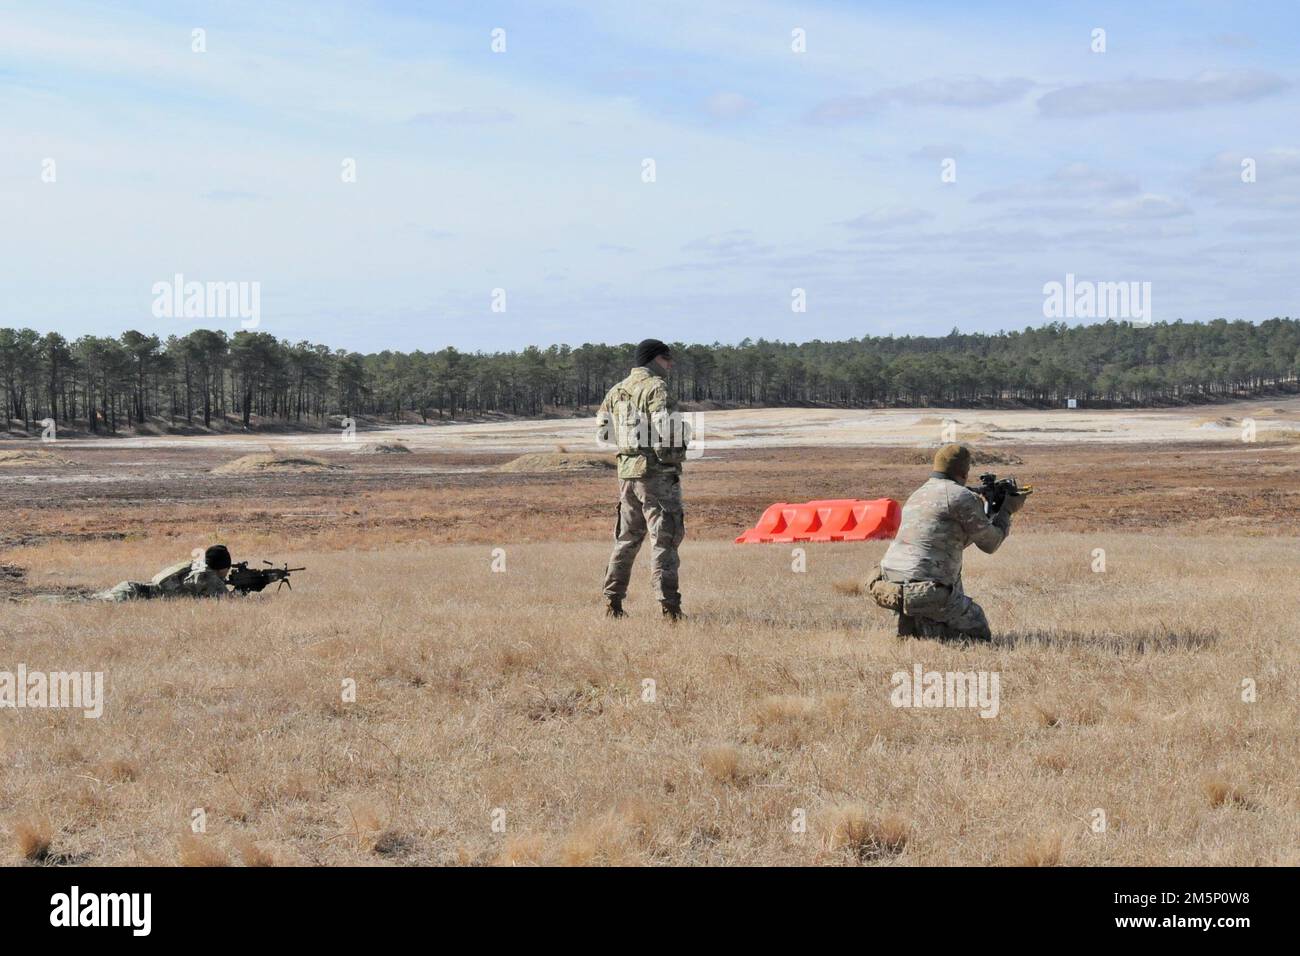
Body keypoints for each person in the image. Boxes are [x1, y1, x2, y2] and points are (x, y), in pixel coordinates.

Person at [868, 444, 1025, 641]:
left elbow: (948, 541)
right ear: (964, 471)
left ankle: (914, 625)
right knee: (978, 630)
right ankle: (925, 627)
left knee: (949, 583)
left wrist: (985, 514)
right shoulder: (960, 496)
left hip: (885, 584)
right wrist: (1007, 511)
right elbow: (990, 544)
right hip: (923, 590)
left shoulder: (919, 493)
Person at [597, 338, 690, 621]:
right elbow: (666, 427)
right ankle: (670, 609)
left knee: (626, 540)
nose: (671, 364)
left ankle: (612, 604)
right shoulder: (656, 387)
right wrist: (678, 447)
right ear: (652, 359)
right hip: (656, 476)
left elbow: (603, 434)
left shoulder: (617, 390)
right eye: (666, 358)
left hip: (626, 474)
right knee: (664, 539)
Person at [94, 544, 233, 602]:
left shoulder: (193, 566)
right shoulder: (206, 576)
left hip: (128, 589)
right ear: (221, 568)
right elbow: (228, 601)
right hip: (130, 596)